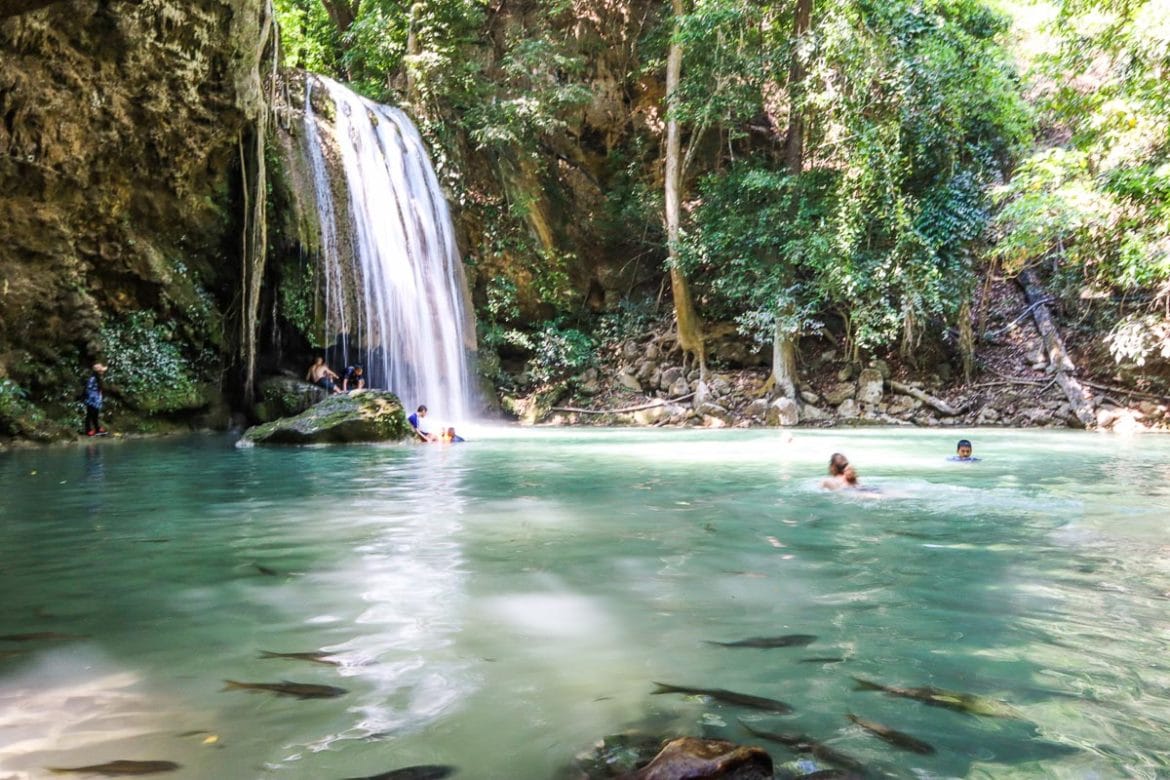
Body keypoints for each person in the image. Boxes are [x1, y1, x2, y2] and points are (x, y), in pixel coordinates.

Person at [83, 362, 108, 436]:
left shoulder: (98, 378)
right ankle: (88, 430)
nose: (102, 372)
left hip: (96, 399)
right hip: (91, 400)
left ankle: (97, 428)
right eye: (101, 371)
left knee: (96, 415)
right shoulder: (92, 379)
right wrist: (93, 399)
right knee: (90, 415)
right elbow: (88, 390)